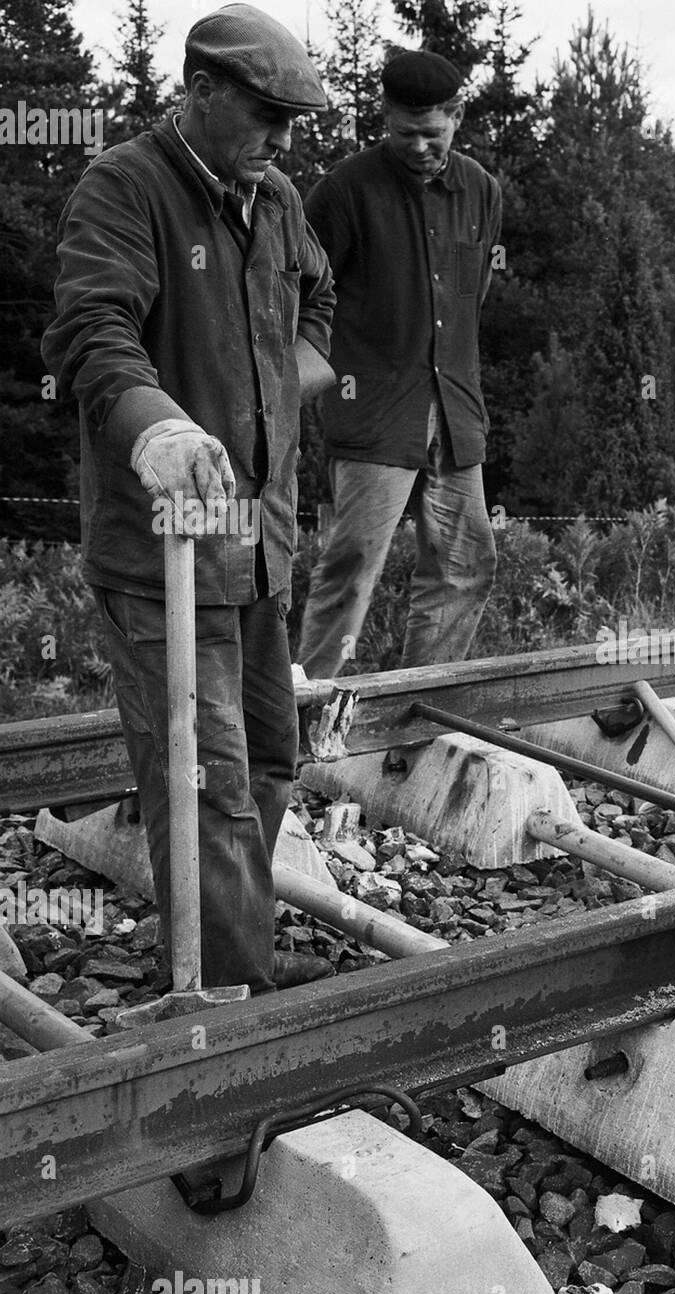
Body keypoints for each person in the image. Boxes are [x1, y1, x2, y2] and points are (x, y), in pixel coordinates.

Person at [42, 3, 338, 994]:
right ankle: (223, 1012)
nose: (282, 138)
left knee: (267, 761)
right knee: (204, 784)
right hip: (162, 553)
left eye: (292, 120)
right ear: (202, 92)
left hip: (258, 543)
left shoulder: (280, 198)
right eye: (265, 114)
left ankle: (229, 942)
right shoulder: (125, 186)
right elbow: (93, 330)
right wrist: (156, 424)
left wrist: (289, 384)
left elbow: (318, 297)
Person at [295, 48, 502, 679]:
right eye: (403, 133)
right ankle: (308, 721)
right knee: (352, 562)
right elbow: (298, 299)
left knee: (466, 562)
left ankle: (421, 707)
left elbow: (473, 299)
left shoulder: (482, 191)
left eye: (431, 134)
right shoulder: (343, 191)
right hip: (374, 410)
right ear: (384, 117)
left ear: (457, 117)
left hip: (457, 410)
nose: (418, 146)